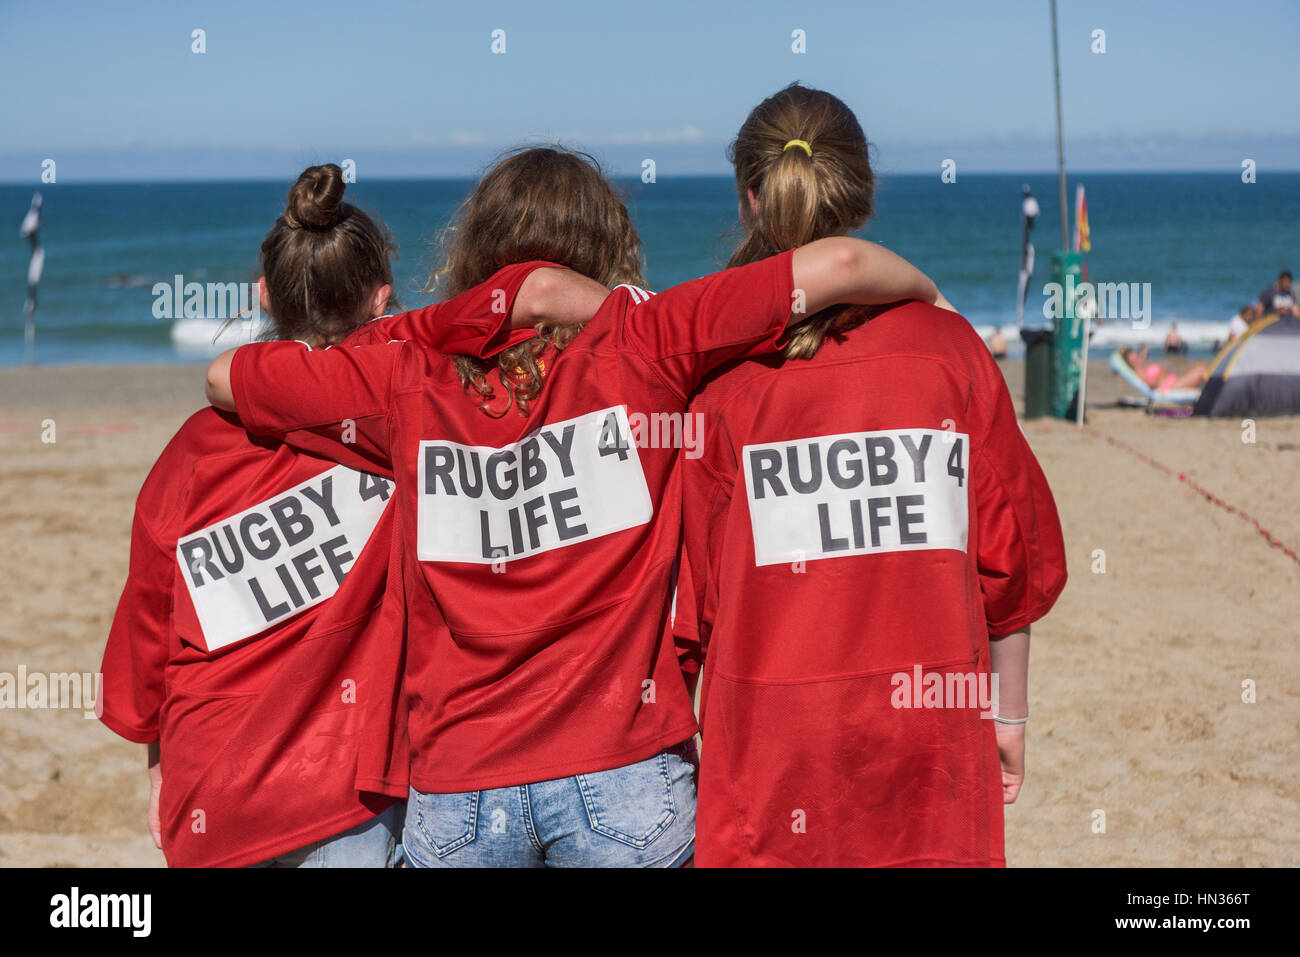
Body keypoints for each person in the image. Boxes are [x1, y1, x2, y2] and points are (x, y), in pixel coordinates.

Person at [204, 146, 951, 868]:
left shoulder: (405, 376)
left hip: (464, 789)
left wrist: (457, 318)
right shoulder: (647, 342)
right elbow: (842, 265)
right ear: (609, 247)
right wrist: (934, 299)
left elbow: (229, 375)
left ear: (475, 252)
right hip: (625, 780)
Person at [99, 164, 607, 867]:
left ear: (263, 295)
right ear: (382, 300)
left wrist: (160, 765)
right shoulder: (400, 421)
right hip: (345, 799)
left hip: (210, 784)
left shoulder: (188, 453)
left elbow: (149, 636)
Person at [673, 84, 1068, 867]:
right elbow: (1012, 565)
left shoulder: (720, 384)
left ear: (749, 199)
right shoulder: (952, 354)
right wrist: (1009, 714)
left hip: (771, 758)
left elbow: (688, 609)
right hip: (930, 754)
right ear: (864, 193)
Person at [1121, 343, 1208, 392]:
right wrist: (1161, 376)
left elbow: (1143, 356)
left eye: (1136, 357)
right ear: (1130, 363)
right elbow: (1153, 385)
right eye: (1134, 359)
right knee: (1200, 371)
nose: (1137, 360)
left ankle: (1213, 389)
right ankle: (1215, 391)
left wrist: (1144, 351)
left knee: (1199, 366)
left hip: (1174, 381)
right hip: (1170, 387)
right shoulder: (1139, 373)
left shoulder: (1142, 368)